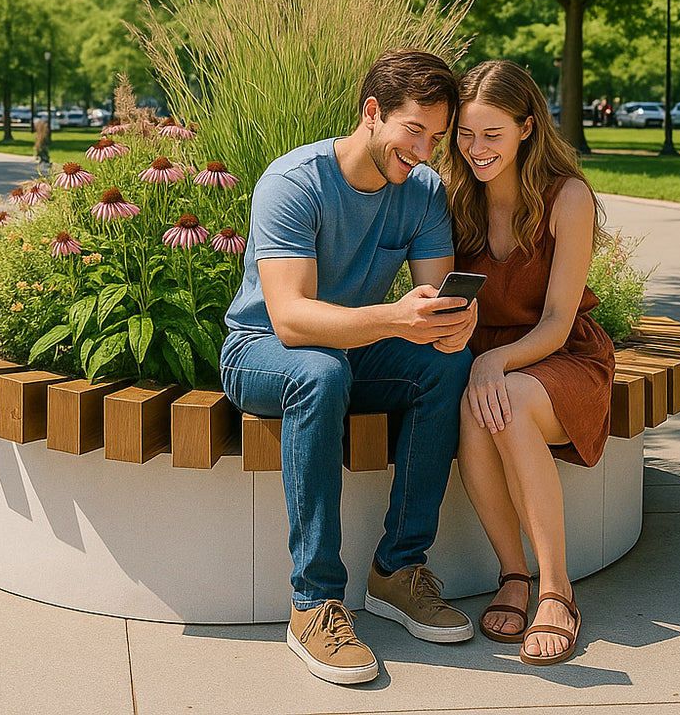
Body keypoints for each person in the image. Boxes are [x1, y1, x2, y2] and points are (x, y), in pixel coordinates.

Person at [221, 51, 478, 685]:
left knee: (447, 367)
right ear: (371, 114)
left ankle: (396, 570)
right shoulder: (295, 182)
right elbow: (291, 321)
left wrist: (451, 326)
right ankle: (314, 603)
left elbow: (432, 298)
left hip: (352, 347)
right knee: (319, 372)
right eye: (412, 130)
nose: (423, 150)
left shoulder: (422, 193)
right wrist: (398, 319)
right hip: (262, 352)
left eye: (436, 138)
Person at [443, 59, 613, 666]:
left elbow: (558, 321)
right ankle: (512, 573)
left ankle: (556, 589)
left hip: (561, 355)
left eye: (492, 134)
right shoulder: (454, 199)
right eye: (465, 133)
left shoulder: (567, 197)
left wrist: (497, 363)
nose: (476, 149)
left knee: (505, 402)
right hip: (486, 353)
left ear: (527, 128)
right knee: (475, 409)